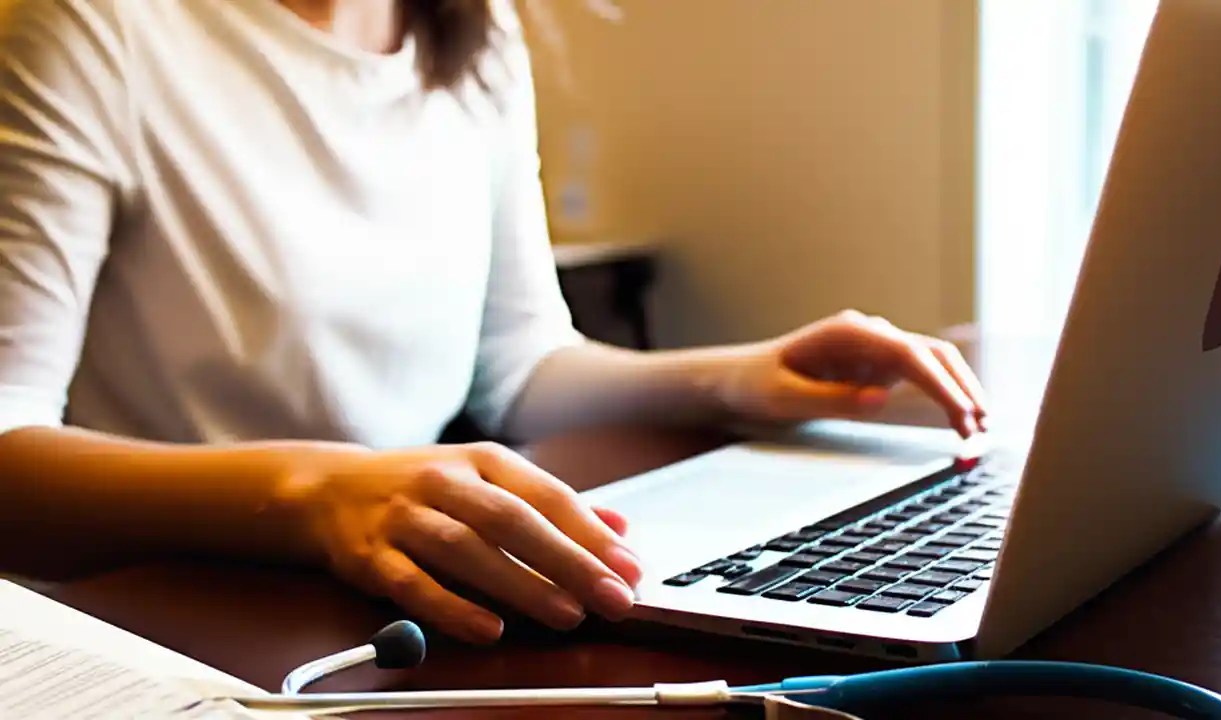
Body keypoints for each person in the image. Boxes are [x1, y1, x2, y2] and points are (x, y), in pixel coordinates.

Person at [0, 0, 986, 645]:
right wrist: (310, 492)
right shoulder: (90, 29)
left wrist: (735, 378)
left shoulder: (472, 35)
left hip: (393, 609)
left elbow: (515, 366)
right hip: (176, 627)